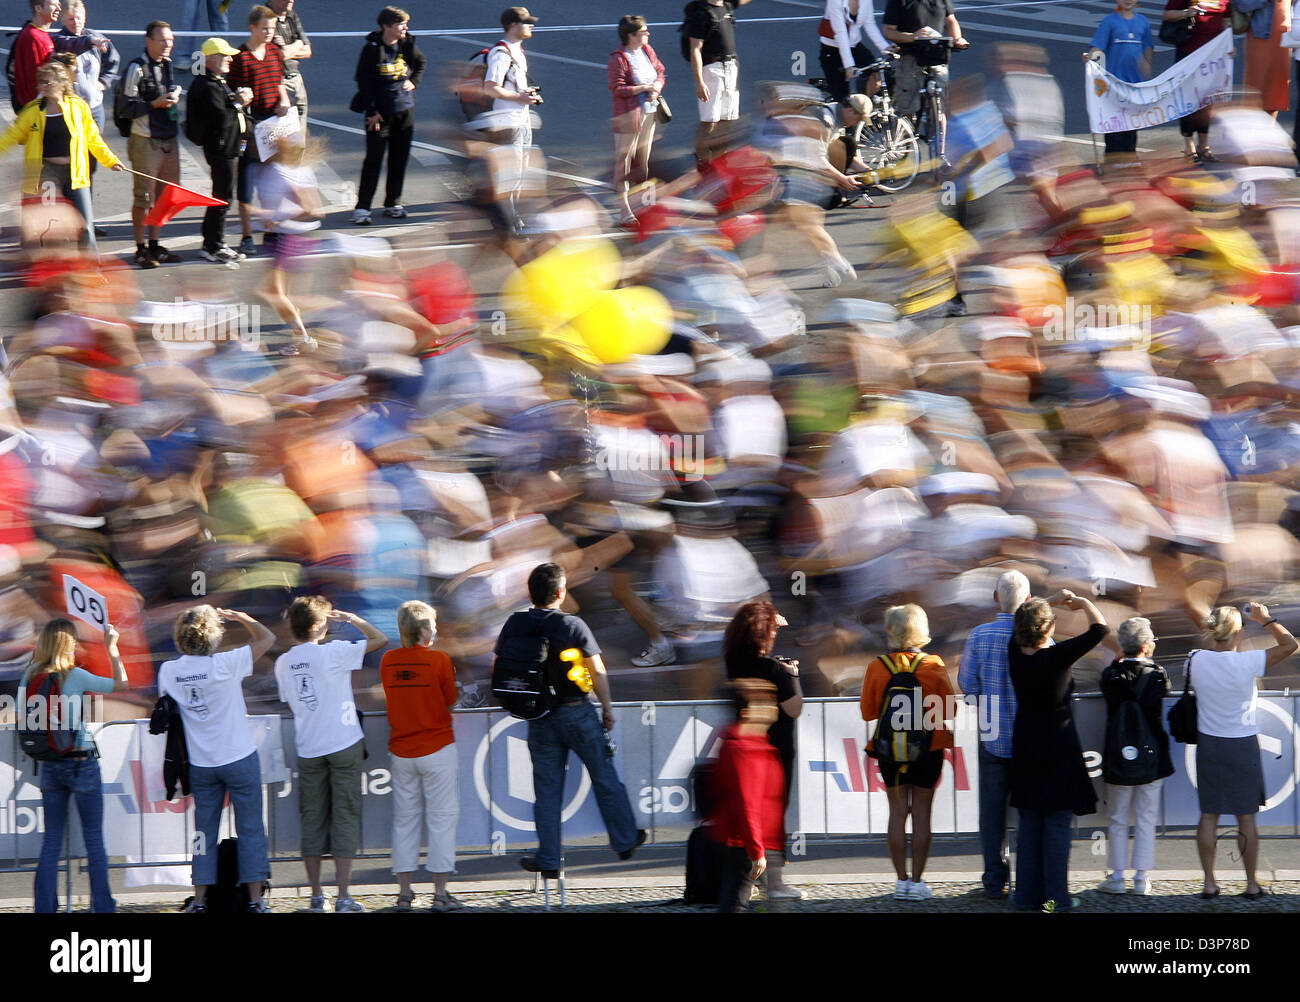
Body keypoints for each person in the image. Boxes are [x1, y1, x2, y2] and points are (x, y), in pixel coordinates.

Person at [499, 562, 645, 878]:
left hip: (538, 716)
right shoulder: (572, 625)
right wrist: (607, 707)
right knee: (604, 775)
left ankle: (549, 859)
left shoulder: (514, 624)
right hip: (576, 710)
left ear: (532, 593)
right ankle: (625, 840)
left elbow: (500, 664)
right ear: (561, 593)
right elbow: (598, 670)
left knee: (547, 791)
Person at [157, 605, 276, 913]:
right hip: (238, 756)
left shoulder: (169, 671)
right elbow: (268, 638)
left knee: (203, 834)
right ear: (213, 636)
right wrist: (244, 618)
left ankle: (199, 901)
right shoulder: (226, 663)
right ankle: (255, 901)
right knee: (250, 829)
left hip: (201, 763)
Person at [273, 596, 388, 914]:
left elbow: (289, 701)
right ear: (319, 624)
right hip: (343, 741)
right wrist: (351, 620)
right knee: (345, 817)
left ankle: (315, 896)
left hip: (308, 746)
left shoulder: (283, 662)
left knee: (312, 818)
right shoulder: (334, 652)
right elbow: (380, 639)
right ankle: (343, 897)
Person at [1007, 590, 1109, 912]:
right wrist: (1082, 603)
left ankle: (1025, 898)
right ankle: (1055, 901)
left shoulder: (1014, 653)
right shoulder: (1057, 657)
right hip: (1058, 749)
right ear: (1049, 629)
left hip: (1025, 746)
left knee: (1029, 826)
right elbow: (1100, 630)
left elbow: (1021, 619)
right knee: (1056, 828)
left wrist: (1046, 603)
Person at [1192, 603, 1296, 900]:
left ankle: (1209, 883)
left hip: (1209, 743)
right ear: (1237, 632)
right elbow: (1290, 645)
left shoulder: (1195, 660)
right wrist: (1265, 619)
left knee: (1208, 815)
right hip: (1242, 743)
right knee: (1246, 817)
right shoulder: (1249, 661)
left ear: (1212, 631)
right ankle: (1251, 884)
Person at [28, 619, 129, 913]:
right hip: (81, 761)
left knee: (51, 842)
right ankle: (103, 906)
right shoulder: (76, 676)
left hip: (49, 764)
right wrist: (111, 648)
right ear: (69, 644)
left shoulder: (30, 676)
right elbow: (120, 684)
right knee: (94, 840)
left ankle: (44, 908)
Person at [860, 603, 954, 902]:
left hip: (890, 750)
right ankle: (918, 882)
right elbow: (948, 709)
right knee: (922, 814)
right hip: (929, 748)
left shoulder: (877, 666)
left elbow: (867, 712)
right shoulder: (934, 665)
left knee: (897, 813)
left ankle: (900, 882)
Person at [379, 600, 462, 911]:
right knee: (442, 819)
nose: (436, 629)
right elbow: (450, 699)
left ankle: (404, 892)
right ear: (424, 629)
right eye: (433, 624)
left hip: (402, 750)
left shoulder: (388, 660)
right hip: (438, 747)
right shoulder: (439, 660)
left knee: (404, 821)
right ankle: (440, 894)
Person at [0, 57, 123, 254]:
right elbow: (10, 136)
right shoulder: (33, 111)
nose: (46, 86)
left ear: (63, 83)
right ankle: (45, 270)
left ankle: (92, 270)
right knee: (50, 226)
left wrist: (111, 160)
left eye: (50, 81)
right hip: (47, 174)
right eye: (42, 82)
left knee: (85, 225)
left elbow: (93, 139)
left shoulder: (78, 106)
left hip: (76, 173)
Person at [722, 600, 803, 899]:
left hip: (745, 744)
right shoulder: (774, 669)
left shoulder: (733, 660)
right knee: (773, 814)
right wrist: (792, 674)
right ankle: (776, 884)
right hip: (777, 748)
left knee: (750, 812)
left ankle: (750, 878)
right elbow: (794, 709)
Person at [957, 568, 1029, 900]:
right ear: (1028, 599)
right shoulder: (1040, 635)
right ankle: (1028, 877)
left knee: (991, 812)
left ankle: (994, 879)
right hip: (1031, 740)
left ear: (996, 597)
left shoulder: (979, 635)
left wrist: (986, 699)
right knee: (1030, 811)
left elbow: (968, 687)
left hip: (992, 736)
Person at [1096, 616, 1172, 897]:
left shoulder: (1110, 676)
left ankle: (1116, 876)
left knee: (1117, 817)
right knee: (1146, 816)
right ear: (1144, 646)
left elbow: (1110, 683)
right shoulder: (1158, 675)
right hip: (1152, 755)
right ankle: (1142, 878)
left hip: (1118, 754)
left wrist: (1117, 660)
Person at [709, 678, 785, 912]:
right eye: (766, 703)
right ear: (747, 712)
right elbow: (747, 804)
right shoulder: (743, 750)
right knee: (735, 904)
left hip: (756, 842)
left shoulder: (755, 745)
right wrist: (757, 851)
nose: (773, 708)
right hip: (745, 844)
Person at [351, 5, 426, 226]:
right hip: (379, 116)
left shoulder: (407, 43)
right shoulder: (372, 49)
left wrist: (414, 81)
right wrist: (372, 111)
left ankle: (393, 202)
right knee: (373, 160)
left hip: (404, 110)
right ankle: (363, 208)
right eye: (401, 24)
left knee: (399, 158)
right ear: (386, 26)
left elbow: (421, 63)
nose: (405, 28)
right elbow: (363, 82)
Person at [227, 5, 291, 256]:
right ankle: (245, 236)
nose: (268, 32)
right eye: (264, 28)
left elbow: (279, 82)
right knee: (245, 179)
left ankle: (271, 229)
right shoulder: (240, 58)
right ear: (252, 27)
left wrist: (283, 99)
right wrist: (241, 99)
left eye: (272, 28)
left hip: (273, 124)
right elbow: (230, 92)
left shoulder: (275, 52)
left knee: (273, 179)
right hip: (248, 128)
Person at [119, 19, 183, 269]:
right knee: (143, 198)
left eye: (170, 40)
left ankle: (155, 244)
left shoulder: (166, 64)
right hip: (145, 140)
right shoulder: (137, 67)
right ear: (149, 41)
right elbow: (125, 106)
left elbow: (167, 89)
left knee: (164, 197)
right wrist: (154, 104)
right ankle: (140, 248)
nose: (168, 44)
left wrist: (174, 93)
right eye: (163, 40)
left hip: (168, 138)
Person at [185, 36, 253, 265]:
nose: (229, 61)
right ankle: (213, 245)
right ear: (212, 59)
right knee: (222, 199)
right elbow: (221, 118)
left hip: (232, 147)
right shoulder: (206, 85)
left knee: (222, 197)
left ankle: (214, 242)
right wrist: (239, 102)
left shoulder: (216, 82)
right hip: (222, 150)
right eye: (225, 56)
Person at [55, 0, 119, 227]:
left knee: (90, 164)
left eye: (80, 17)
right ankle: (69, 217)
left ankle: (86, 218)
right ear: (63, 19)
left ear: (86, 16)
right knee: (71, 164)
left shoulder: (96, 37)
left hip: (94, 109)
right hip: (69, 112)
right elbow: (72, 44)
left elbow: (113, 60)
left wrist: (104, 82)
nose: (76, 22)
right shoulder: (60, 40)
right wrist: (89, 41)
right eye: (71, 18)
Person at [479, 6, 542, 209]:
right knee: (510, 171)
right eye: (526, 22)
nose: (531, 25)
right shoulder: (501, 52)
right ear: (513, 25)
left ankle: (511, 214)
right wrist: (519, 97)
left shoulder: (517, 50)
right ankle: (507, 217)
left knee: (521, 169)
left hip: (520, 117)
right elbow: (490, 88)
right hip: (507, 119)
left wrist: (525, 95)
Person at [607, 14, 666, 225]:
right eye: (643, 32)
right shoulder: (619, 58)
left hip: (649, 112)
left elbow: (660, 71)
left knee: (643, 159)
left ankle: (645, 203)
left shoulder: (647, 51)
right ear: (631, 35)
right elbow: (617, 88)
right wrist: (643, 88)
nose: (648, 34)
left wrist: (656, 88)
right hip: (628, 116)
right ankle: (625, 210)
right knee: (623, 161)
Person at [685, 0, 755, 167]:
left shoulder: (726, 5)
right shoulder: (701, 14)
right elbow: (695, 49)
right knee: (710, 122)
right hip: (712, 70)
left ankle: (718, 167)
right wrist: (699, 82)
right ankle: (703, 165)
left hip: (730, 68)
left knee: (727, 121)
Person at [1083, 0, 1153, 160]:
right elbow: (1098, 47)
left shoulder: (1143, 22)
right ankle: (1112, 162)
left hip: (1134, 85)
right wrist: (1090, 58)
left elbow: (1148, 46)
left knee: (1131, 125)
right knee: (1114, 126)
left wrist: (1148, 64)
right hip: (1113, 85)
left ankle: (1129, 159)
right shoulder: (1110, 21)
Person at [882, 0, 970, 125]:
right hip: (910, 56)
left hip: (937, 55)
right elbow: (888, 31)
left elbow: (950, 20)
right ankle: (906, 140)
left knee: (939, 109)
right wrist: (913, 37)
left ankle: (939, 143)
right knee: (908, 105)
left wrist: (957, 38)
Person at [1161, 0, 1228, 161]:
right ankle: (1189, 146)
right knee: (1188, 101)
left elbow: (1227, 22)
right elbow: (1167, 14)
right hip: (1189, 54)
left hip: (1213, 57)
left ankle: (1203, 146)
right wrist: (1185, 13)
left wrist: (1229, 45)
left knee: (1207, 102)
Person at [11, 0, 106, 111]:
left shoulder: (40, 34)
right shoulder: (34, 37)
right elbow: (36, 81)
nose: (59, 9)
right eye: (53, 4)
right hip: (39, 111)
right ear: (38, 8)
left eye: (59, 5)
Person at [819, 0, 890, 104]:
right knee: (842, 97)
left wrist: (885, 47)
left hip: (854, 45)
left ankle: (866, 108)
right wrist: (849, 66)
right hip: (832, 47)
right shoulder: (835, 2)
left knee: (875, 74)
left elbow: (869, 23)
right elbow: (840, 33)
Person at [1242, 0, 1292, 120]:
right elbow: (1241, 4)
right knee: (1256, 91)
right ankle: (1252, 134)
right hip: (1260, 37)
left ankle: (1269, 132)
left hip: (1285, 37)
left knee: (1276, 91)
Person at [269, 0, 310, 121]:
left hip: (296, 79)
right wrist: (298, 43)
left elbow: (308, 51)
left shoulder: (292, 16)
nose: (291, 0)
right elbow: (281, 54)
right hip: (279, 82)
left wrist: (291, 46)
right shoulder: (266, 17)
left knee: (300, 130)